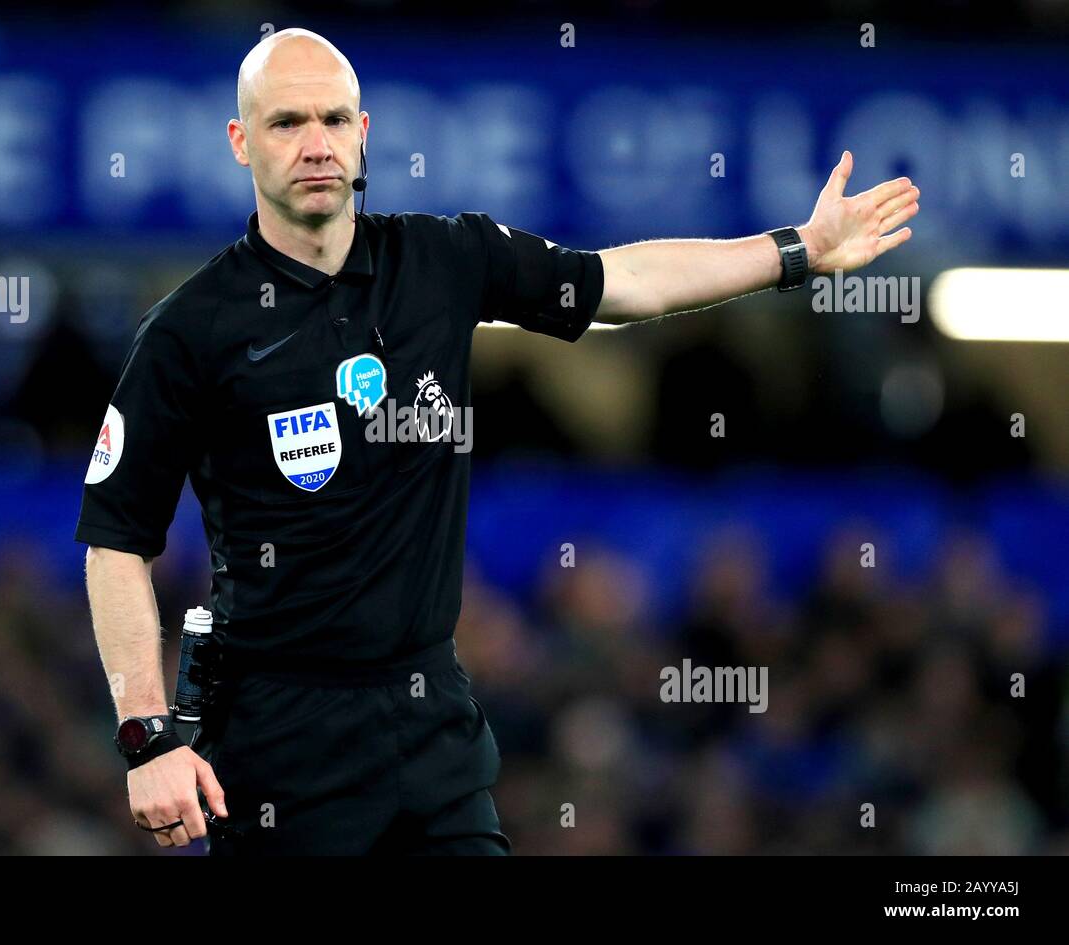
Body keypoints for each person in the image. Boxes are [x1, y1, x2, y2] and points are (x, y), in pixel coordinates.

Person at [76, 27, 920, 855]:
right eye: (286, 123)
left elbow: (622, 283)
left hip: (431, 725)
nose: (316, 144)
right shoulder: (190, 332)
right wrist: (148, 739)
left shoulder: (443, 261)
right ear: (240, 142)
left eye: (334, 120)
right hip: (280, 746)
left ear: (364, 132)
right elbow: (116, 540)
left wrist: (797, 252)